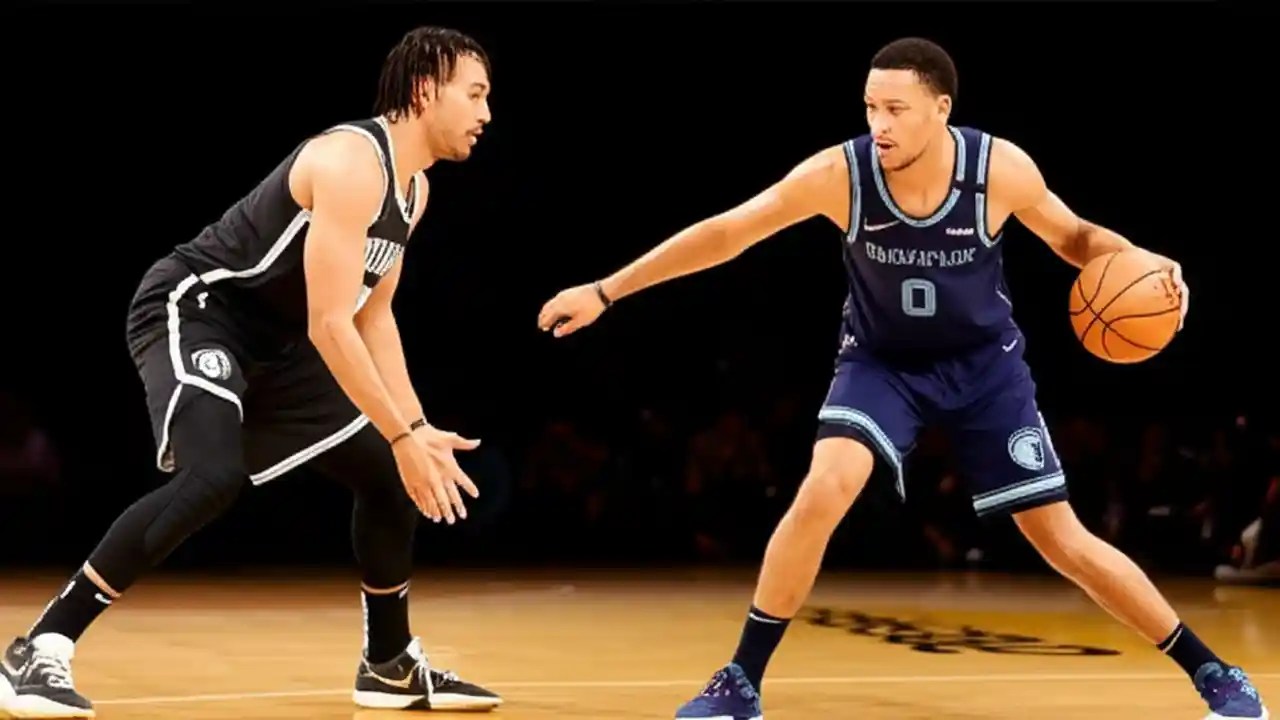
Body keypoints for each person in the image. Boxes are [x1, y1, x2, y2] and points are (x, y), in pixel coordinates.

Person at [538, 37, 1269, 720]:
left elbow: (1075, 238)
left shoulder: (997, 169)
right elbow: (729, 231)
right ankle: (741, 681)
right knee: (825, 485)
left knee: (1060, 539)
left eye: (895, 109)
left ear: (940, 109)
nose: (878, 124)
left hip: (985, 370)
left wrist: (1143, 258)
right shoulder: (841, 175)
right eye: (869, 108)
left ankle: (1211, 672)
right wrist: (607, 290)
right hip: (882, 363)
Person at [0, 26, 503, 718]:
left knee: (389, 474)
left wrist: (413, 429)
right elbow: (331, 323)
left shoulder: (413, 192)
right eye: (475, 94)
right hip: (201, 309)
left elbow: (372, 317)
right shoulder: (351, 163)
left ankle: (387, 663)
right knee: (212, 477)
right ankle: (40, 648)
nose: (486, 113)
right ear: (425, 91)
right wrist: (399, 433)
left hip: (281, 348)